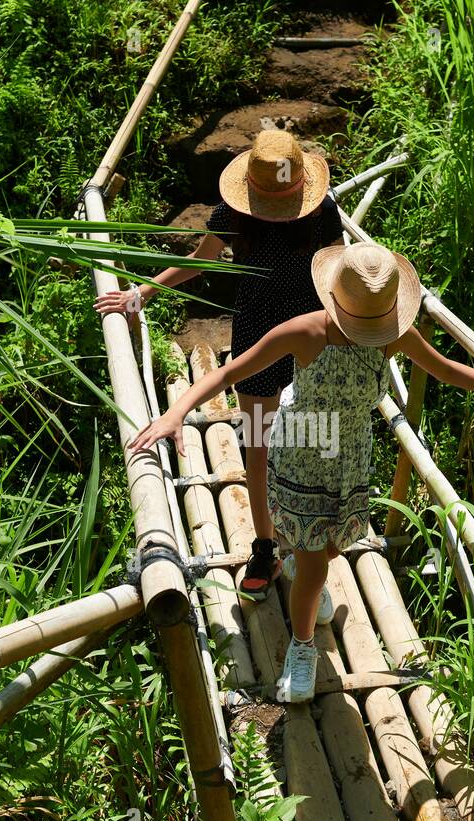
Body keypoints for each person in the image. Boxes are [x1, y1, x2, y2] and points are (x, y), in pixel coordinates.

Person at [128, 242, 474, 703]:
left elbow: (446, 369)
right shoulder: (306, 332)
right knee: (316, 567)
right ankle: (301, 648)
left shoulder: (393, 335)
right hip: (303, 449)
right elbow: (231, 371)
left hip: (351, 453)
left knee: (334, 545)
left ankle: (301, 561)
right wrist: (177, 412)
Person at [95, 128, 344, 612]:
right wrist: (143, 291)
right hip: (254, 330)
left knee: (311, 442)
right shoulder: (232, 213)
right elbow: (202, 259)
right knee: (257, 442)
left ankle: (304, 552)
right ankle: (266, 549)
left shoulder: (323, 210)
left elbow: (338, 270)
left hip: (313, 333)